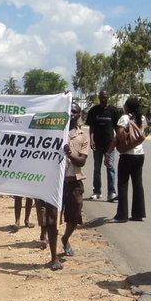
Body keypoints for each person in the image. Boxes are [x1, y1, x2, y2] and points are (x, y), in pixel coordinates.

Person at [61, 102, 89, 258]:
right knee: (50, 213)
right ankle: (45, 237)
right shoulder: (56, 131)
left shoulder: (83, 136)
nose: (71, 114)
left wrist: (70, 154)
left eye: (75, 112)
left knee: (75, 213)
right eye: (69, 111)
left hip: (74, 180)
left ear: (79, 115)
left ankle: (65, 238)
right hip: (56, 181)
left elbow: (82, 161)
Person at [112, 97, 146, 223]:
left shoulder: (124, 118)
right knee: (138, 184)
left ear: (127, 106)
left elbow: (118, 137)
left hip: (127, 154)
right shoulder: (142, 118)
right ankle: (138, 214)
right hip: (140, 154)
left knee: (123, 184)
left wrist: (109, 152)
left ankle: (122, 215)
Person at [85, 90, 120, 202]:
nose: (103, 99)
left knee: (110, 168)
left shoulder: (113, 110)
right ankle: (97, 191)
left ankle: (111, 193)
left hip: (109, 144)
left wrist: (118, 141)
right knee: (97, 168)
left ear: (108, 97)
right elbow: (92, 127)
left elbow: (117, 128)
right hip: (97, 144)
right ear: (99, 98)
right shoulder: (94, 110)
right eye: (101, 97)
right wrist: (91, 140)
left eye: (105, 97)